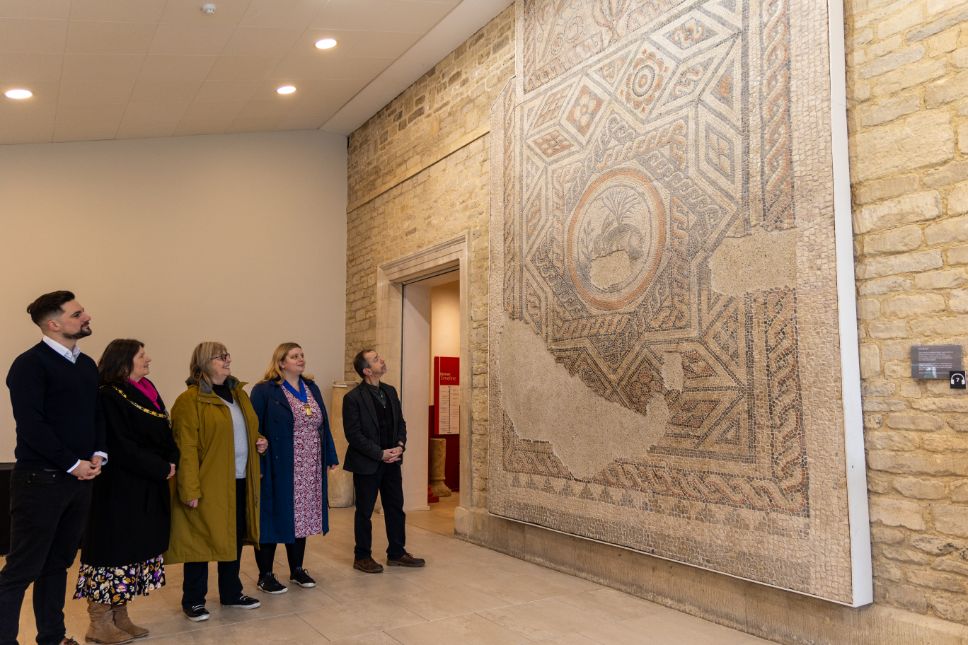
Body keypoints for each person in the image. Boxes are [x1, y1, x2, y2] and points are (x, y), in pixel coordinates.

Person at [0, 290, 106, 645]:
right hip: (39, 481)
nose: (86, 316)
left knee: (57, 564)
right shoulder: (29, 365)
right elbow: (32, 425)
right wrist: (71, 463)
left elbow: (95, 415)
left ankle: (52, 637)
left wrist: (97, 455)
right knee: (21, 568)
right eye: (77, 314)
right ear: (54, 323)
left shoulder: (87, 364)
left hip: (79, 480)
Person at [74, 340, 179, 644]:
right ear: (124, 360)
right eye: (141, 355)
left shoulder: (147, 387)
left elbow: (164, 429)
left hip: (147, 484)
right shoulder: (109, 394)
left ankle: (121, 616)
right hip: (118, 488)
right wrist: (159, 467)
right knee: (114, 551)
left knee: (133, 551)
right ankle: (99, 621)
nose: (148, 359)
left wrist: (172, 460)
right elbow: (121, 445)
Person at [164, 342, 268, 622]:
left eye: (227, 355)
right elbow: (185, 447)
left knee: (232, 538)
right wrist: (189, 488)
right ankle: (193, 599)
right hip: (208, 482)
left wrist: (260, 441)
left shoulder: (239, 394)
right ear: (203, 363)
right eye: (220, 357)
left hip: (240, 478)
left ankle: (231, 593)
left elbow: (250, 429)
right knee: (199, 540)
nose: (227, 360)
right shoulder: (190, 400)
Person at [249, 343, 339, 594]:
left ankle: (297, 569)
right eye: (294, 356)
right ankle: (265, 574)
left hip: (310, 466)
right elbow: (252, 425)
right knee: (273, 515)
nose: (301, 359)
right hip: (279, 464)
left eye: (302, 355)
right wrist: (259, 443)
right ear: (281, 362)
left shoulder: (311, 388)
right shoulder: (265, 390)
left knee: (303, 516)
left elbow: (324, 426)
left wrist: (330, 454)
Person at [343, 349, 425, 573]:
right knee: (364, 511)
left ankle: (397, 553)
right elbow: (354, 435)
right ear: (367, 370)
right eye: (376, 359)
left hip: (392, 462)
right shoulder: (352, 398)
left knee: (395, 507)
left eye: (380, 356)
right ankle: (362, 556)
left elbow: (400, 422)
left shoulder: (390, 391)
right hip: (368, 463)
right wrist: (380, 453)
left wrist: (400, 446)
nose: (382, 360)